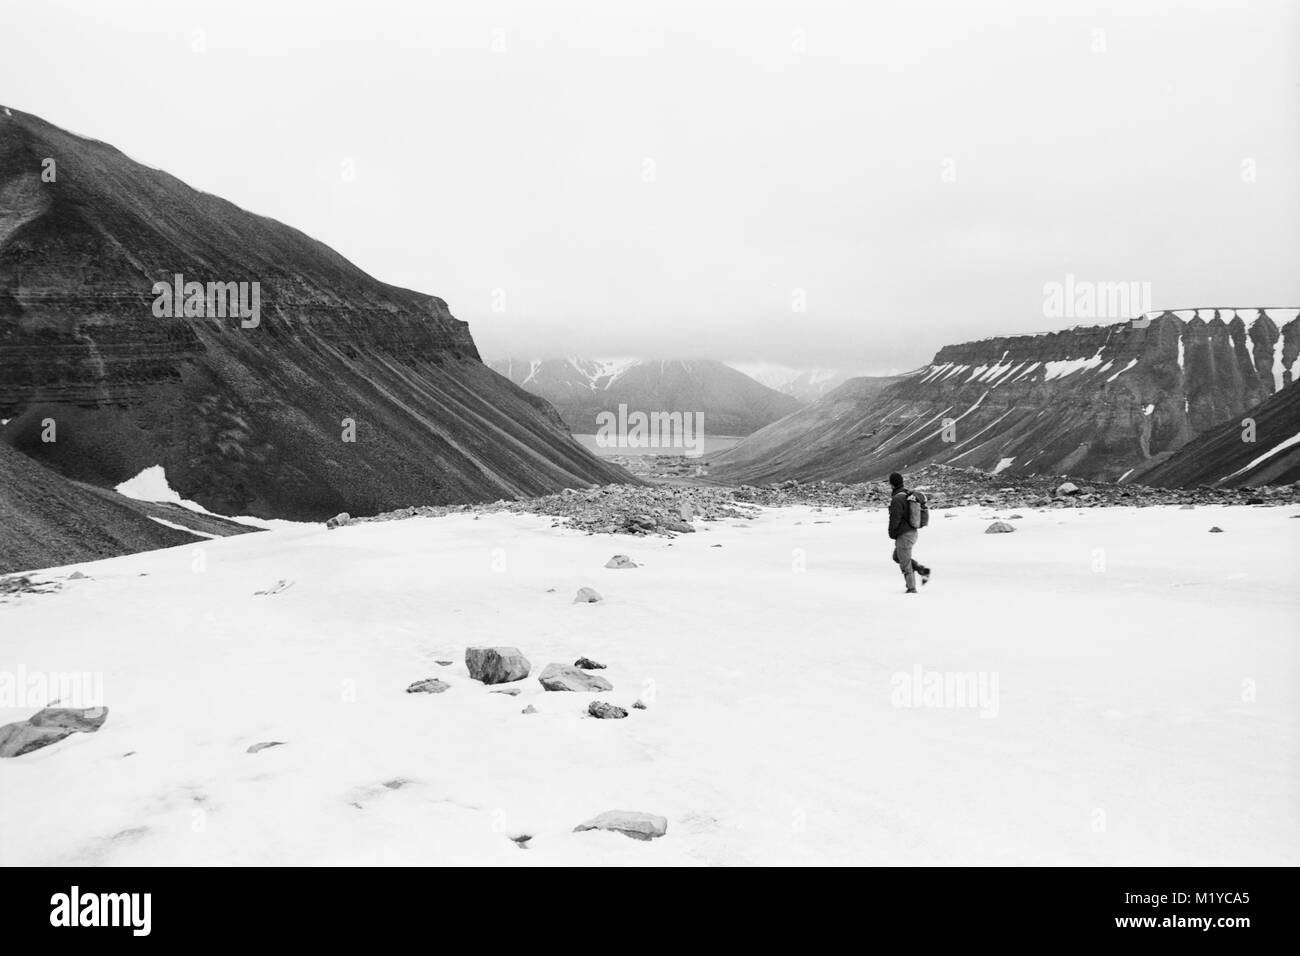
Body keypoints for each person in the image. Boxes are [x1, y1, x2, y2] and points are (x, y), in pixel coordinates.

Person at [887, 472, 931, 593]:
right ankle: (922, 570)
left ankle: (911, 589)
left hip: (904, 534)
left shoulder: (897, 499)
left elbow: (895, 518)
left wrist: (891, 533)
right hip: (912, 532)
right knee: (897, 557)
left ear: (891, 484)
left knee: (905, 563)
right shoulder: (907, 494)